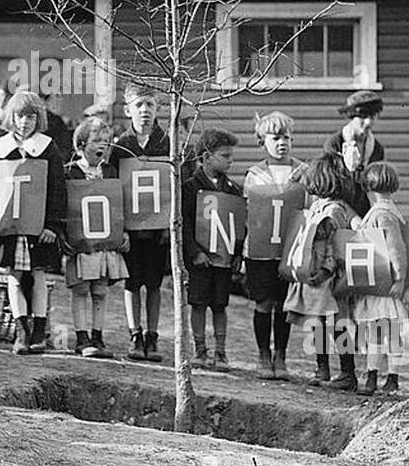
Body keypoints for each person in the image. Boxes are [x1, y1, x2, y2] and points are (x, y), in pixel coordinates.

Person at [0, 90, 66, 356]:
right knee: (14, 274)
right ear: (11, 117)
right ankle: (21, 329)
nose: (24, 122)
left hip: (38, 226)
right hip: (9, 224)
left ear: (39, 119)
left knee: (38, 274)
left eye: (31, 117)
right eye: (20, 116)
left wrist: (52, 225)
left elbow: (57, 189)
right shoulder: (0, 148)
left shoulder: (47, 148)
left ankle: (38, 330)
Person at [243, 111, 307, 380]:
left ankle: (281, 356)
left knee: (283, 304)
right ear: (262, 141)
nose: (282, 143)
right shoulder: (255, 174)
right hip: (260, 251)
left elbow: (308, 207)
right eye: (275, 138)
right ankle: (263, 355)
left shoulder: (302, 172)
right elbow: (248, 211)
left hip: (289, 249)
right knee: (263, 303)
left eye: (287, 138)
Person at [284, 155, 358, 387]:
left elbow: (332, 245)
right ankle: (322, 367)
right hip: (314, 274)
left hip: (325, 278)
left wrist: (326, 269)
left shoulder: (332, 210)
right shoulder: (317, 206)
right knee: (317, 324)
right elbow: (291, 182)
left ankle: (348, 371)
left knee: (338, 325)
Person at [111, 82, 170, 362]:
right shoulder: (121, 146)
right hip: (131, 229)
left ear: (158, 108)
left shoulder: (168, 144)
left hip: (159, 229)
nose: (145, 110)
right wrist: (118, 226)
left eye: (150, 104)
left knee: (155, 283)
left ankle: (153, 335)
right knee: (132, 282)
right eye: (139, 105)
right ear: (127, 110)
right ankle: (135, 334)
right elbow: (112, 188)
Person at [63, 117, 129, 359]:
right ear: (81, 144)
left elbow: (118, 206)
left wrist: (123, 233)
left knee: (100, 289)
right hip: (81, 244)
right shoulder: (70, 172)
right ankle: (81, 337)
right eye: (96, 141)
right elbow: (65, 209)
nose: (102, 145)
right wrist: (65, 239)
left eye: (106, 141)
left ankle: (98, 336)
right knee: (80, 288)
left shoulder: (110, 172)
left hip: (104, 243)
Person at [182, 128, 243, 369]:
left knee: (220, 304)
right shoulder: (189, 187)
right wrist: (194, 252)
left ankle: (220, 351)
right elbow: (184, 222)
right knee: (198, 303)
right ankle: (200, 349)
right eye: (225, 156)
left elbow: (238, 226)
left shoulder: (233, 190)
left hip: (223, 260)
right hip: (200, 258)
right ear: (206, 158)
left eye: (231, 156)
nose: (231, 161)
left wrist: (237, 254)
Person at [352, 162, 409, 396]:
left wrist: (399, 278)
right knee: (387, 334)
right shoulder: (387, 212)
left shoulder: (382, 214)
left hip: (384, 285)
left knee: (380, 334)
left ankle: (382, 376)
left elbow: (397, 249)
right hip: (378, 284)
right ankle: (381, 375)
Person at [322, 90, 386, 218]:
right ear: (352, 116)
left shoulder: (377, 149)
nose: (368, 122)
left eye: (372, 117)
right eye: (363, 117)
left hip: (366, 214)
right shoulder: (334, 144)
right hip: (338, 212)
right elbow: (330, 190)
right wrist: (352, 218)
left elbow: (375, 189)